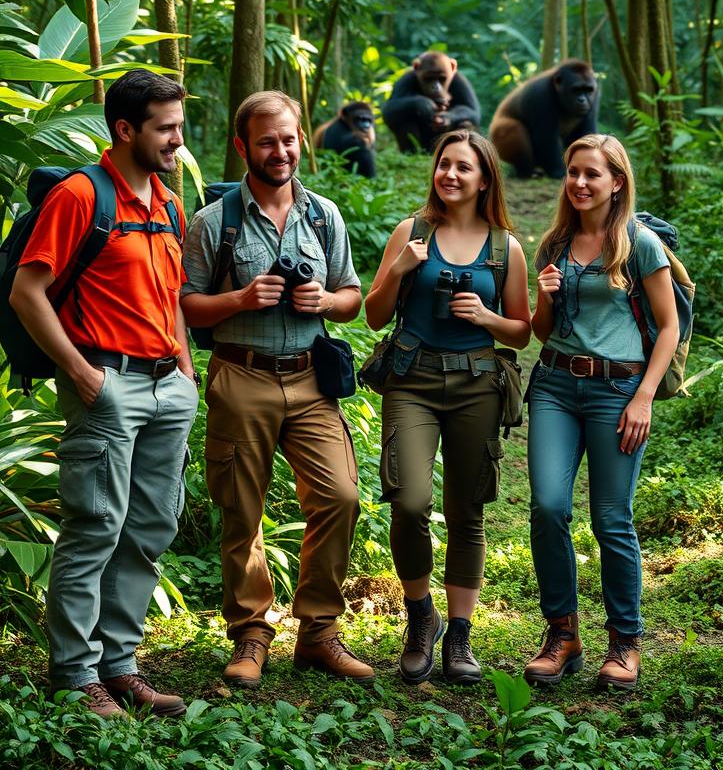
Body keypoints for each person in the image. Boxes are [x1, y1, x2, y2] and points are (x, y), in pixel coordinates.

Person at [10, 71, 199, 718]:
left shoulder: (167, 204)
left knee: (148, 528)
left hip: (166, 386)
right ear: (125, 129)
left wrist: (185, 368)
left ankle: (120, 666)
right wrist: (81, 372)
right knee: (95, 527)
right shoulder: (80, 195)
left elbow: (171, 295)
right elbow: (27, 293)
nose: (178, 140)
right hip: (106, 382)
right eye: (166, 129)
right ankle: (75, 673)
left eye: (178, 126)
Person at [181, 91, 373, 688]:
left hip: (311, 379)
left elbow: (352, 297)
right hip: (241, 374)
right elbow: (186, 306)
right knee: (242, 509)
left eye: (288, 139)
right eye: (267, 141)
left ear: (301, 140)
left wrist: (326, 301)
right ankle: (250, 634)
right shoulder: (214, 222)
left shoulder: (323, 216)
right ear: (243, 147)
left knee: (340, 496)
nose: (281, 151)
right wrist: (241, 299)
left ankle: (318, 632)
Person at [364, 129, 530, 684]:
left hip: (477, 383)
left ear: (485, 179)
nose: (450, 175)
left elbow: (522, 330)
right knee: (409, 500)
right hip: (411, 378)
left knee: (467, 508)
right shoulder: (411, 232)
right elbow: (374, 315)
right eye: (444, 164)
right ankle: (420, 618)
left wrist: (485, 317)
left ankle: (459, 635)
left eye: (464, 167)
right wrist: (399, 269)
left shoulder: (505, 248)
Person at [523, 134, 678, 691]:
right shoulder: (554, 244)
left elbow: (669, 327)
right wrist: (544, 295)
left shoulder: (640, 244)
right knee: (547, 507)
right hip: (555, 385)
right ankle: (562, 635)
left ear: (617, 182)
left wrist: (644, 397)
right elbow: (540, 332)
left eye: (592, 174)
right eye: (573, 172)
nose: (580, 183)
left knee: (611, 518)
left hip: (618, 391)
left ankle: (624, 642)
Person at [382, 51, 481, 153]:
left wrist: (450, 116)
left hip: (448, 137)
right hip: (418, 136)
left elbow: (474, 113)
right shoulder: (408, 79)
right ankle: (411, 153)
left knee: (466, 125)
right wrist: (417, 102)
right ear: (416, 68)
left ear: (453, 68)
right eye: (429, 79)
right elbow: (388, 112)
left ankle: (458, 154)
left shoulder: (458, 81)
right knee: (402, 122)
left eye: (441, 79)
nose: (436, 87)